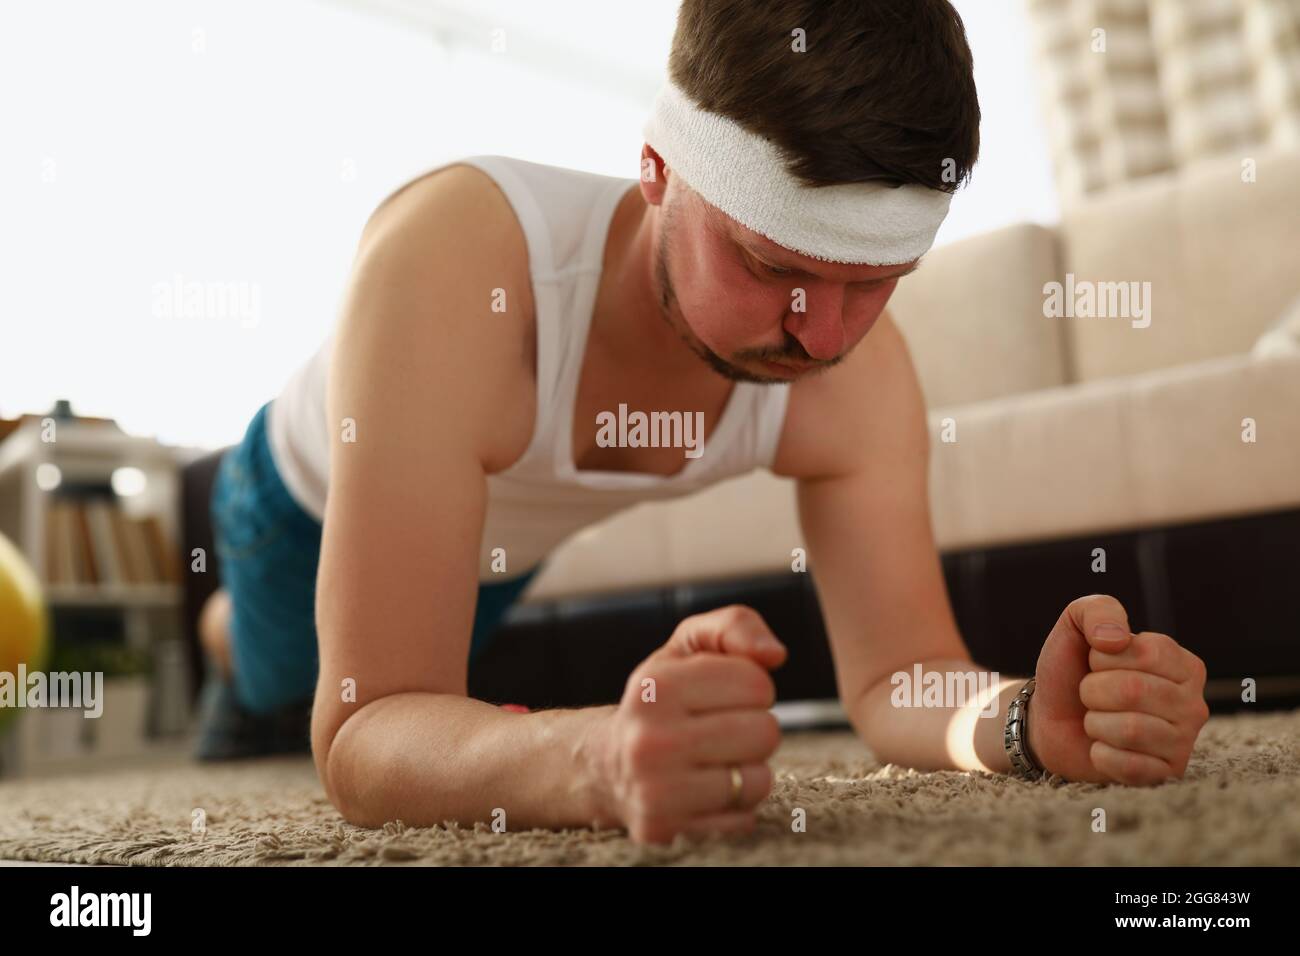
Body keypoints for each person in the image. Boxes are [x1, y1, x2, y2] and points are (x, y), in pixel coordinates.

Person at [196, 0, 1210, 845]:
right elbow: (365, 729)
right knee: (278, 674)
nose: (821, 341)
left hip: (502, 553)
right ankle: (223, 637)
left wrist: (1025, 718)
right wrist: (594, 759)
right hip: (294, 505)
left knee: (450, 648)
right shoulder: (453, 264)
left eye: (875, 285)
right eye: (772, 267)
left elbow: (904, 674)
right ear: (656, 170)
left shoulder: (856, 377)